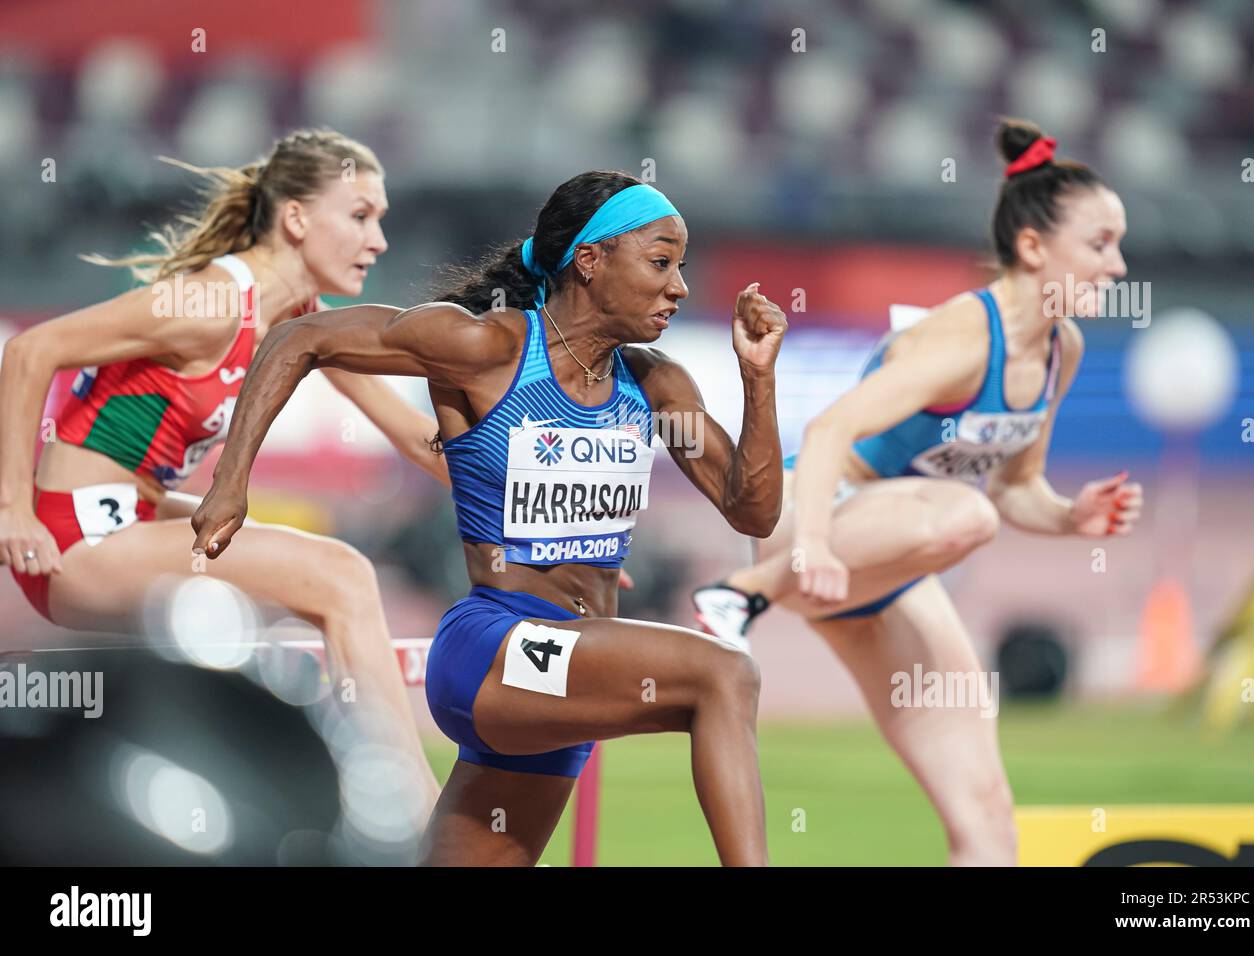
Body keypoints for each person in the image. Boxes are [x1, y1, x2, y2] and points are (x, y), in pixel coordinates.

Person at [191, 171, 788, 866]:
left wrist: (758, 378)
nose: (680, 287)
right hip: (494, 652)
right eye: (660, 263)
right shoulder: (485, 349)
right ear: (590, 260)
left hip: (569, 675)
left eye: (680, 267)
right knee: (725, 675)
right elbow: (301, 339)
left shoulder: (658, 386)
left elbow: (754, 510)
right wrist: (231, 483)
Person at [693, 119, 1143, 865]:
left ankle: (752, 595)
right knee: (962, 517)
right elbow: (834, 428)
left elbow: (1015, 486)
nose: (1119, 267)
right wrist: (806, 551)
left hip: (896, 562)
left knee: (988, 821)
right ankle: (737, 595)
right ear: (1033, 248)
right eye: (1100, 245)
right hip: (813, 522)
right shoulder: (965, 338)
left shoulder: (1063, 350)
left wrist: (1070, 516)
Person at [0, 128, 442, 811]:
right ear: (296, 218)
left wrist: (539, 507)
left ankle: (246, 799)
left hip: (133, 515)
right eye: (360, 217)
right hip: (75, 539)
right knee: (342, 577)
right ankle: (416, 819)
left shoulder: (299, 320)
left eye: (379, 219)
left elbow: (419, 440)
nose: (379, 240)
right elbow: (30, 350)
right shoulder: (207, 306)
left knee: (273, 603)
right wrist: (12, 510)